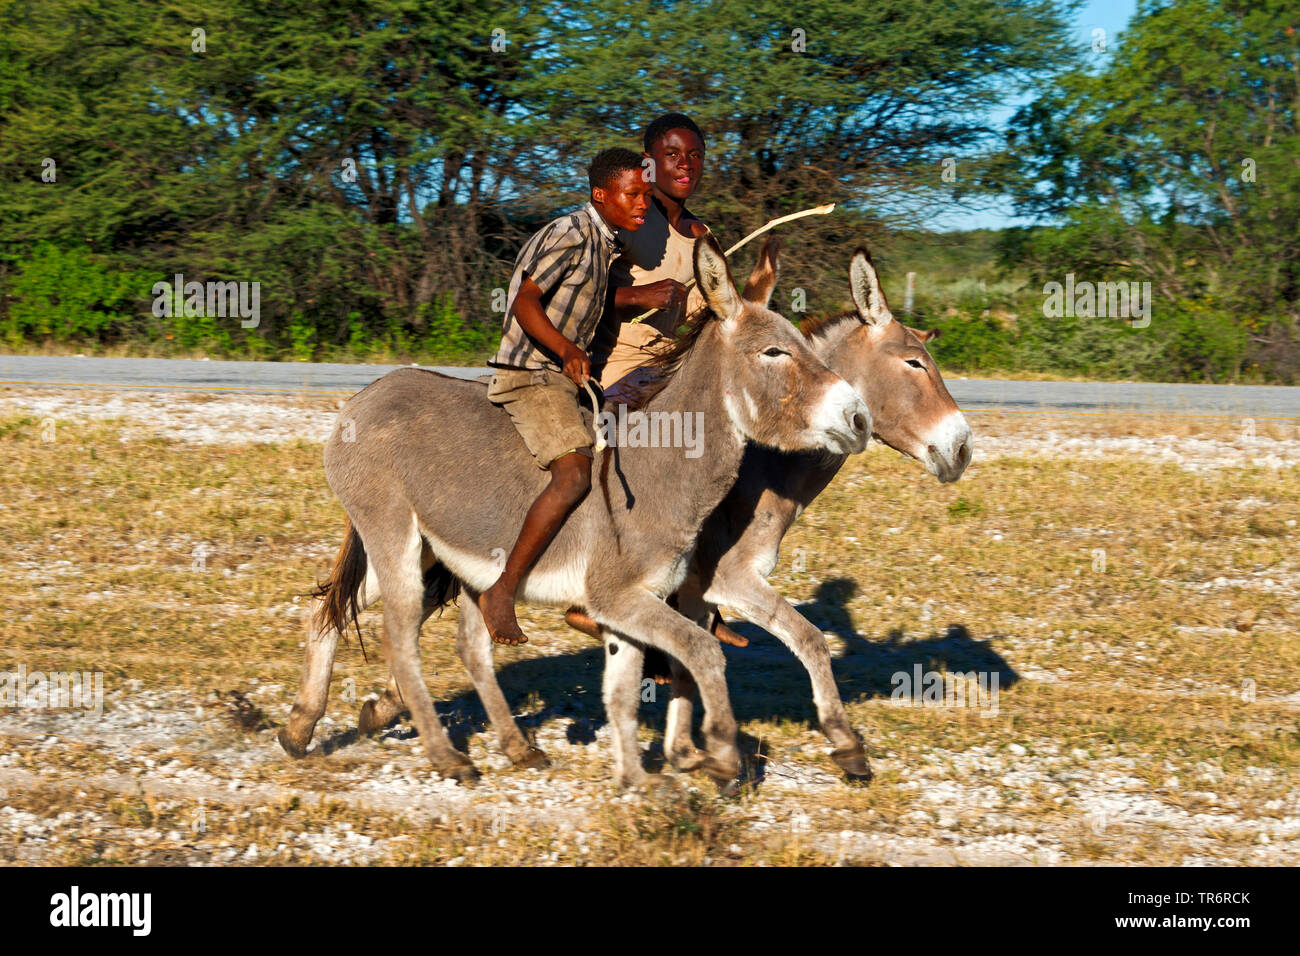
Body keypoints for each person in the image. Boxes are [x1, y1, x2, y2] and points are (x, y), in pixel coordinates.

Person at [571, 114, 749, 654]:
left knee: (726, 458)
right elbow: (577, 290)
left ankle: (693, 598)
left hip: (676, 374)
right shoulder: (628, 218)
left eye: (695, 156)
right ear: (647, 162)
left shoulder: (704, 236)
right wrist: (640, 298)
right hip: (620, 367)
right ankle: (597, 593)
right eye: (673, 155)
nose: (685, 166)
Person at [480, 148, 651, 646]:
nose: (643, 202)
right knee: (576, 473)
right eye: (634, 193)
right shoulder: (569, 232)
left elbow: (589, 295)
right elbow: (526, 301)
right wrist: (567, 350)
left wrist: (649, 296)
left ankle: (596, 592)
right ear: (602, 194)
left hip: (568, 379)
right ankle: (503, 590)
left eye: (645, 193)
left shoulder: (606, 245)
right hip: (532, 374)